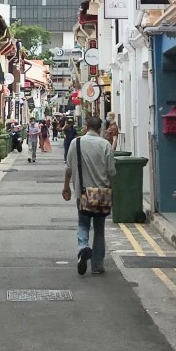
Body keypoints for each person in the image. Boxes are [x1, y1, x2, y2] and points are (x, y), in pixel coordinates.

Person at [62, 116, 116, 275]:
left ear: (86, 126)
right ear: (100, 129)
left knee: (83, 223)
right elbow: (111, 171)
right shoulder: (105, 145)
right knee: (99, 229)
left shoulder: (76, 143)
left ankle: (83, 247)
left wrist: (66, 186)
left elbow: (68, 169)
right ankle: (97, 266)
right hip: (101, 194)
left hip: (83, 193)